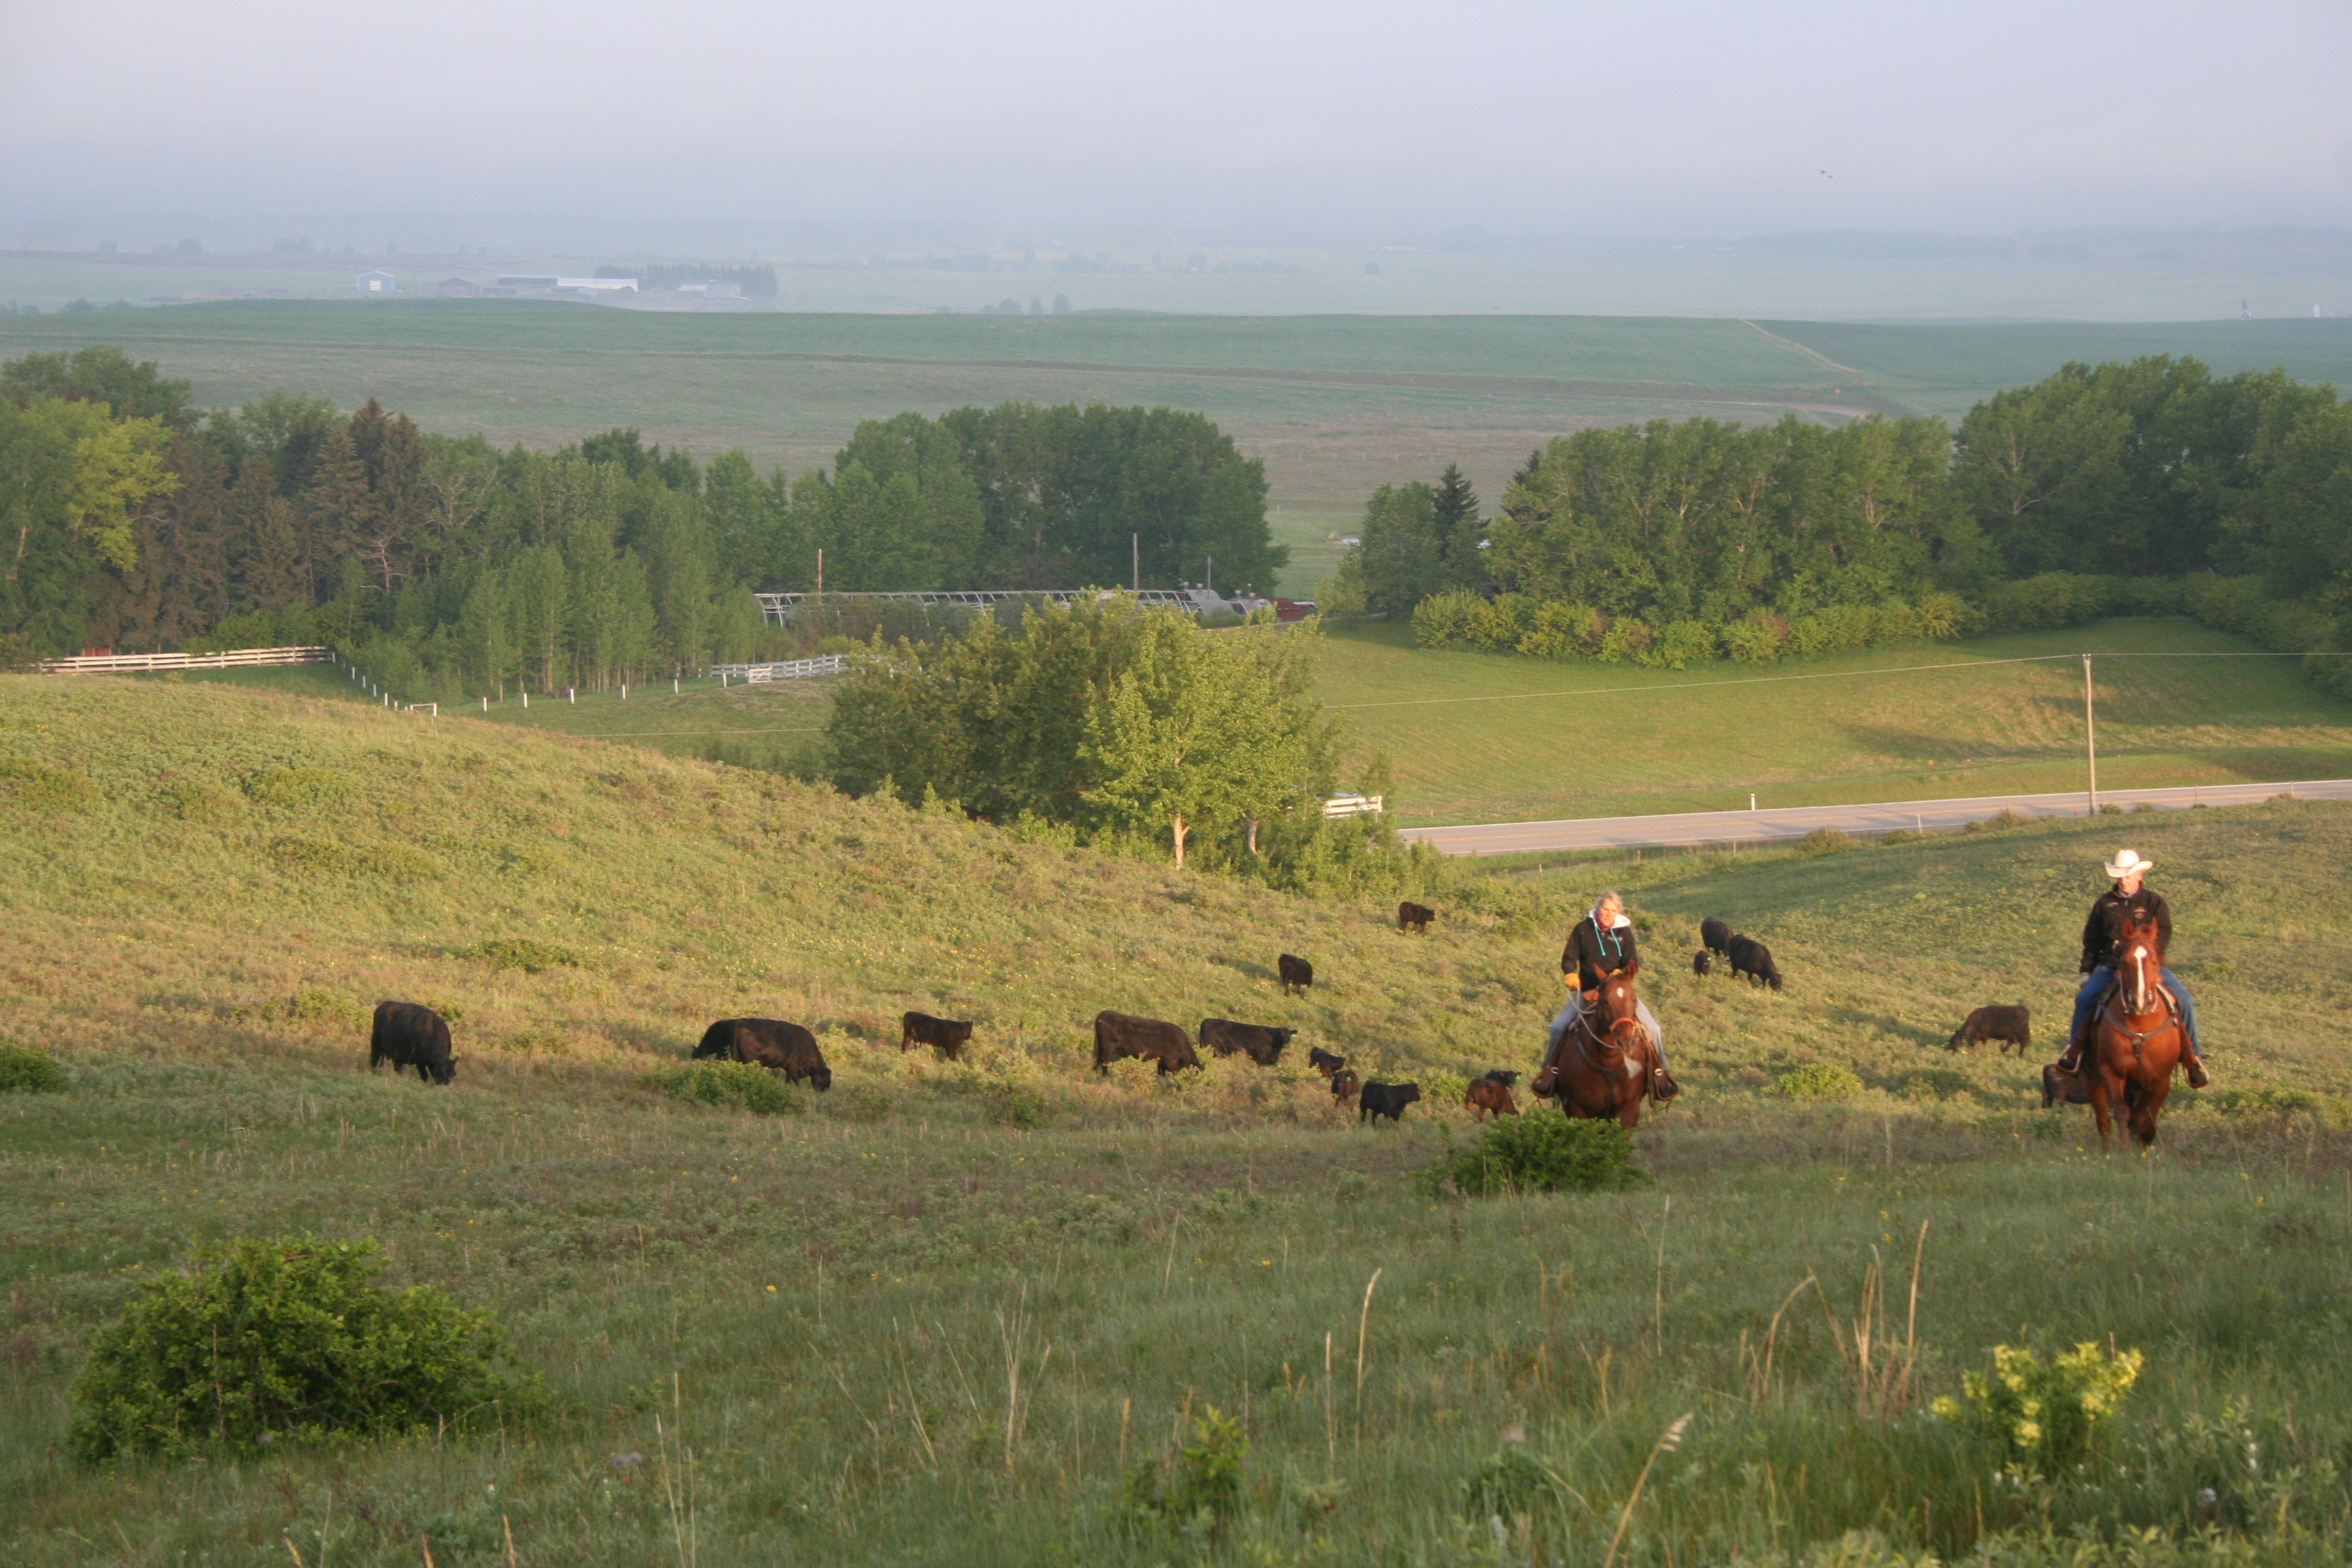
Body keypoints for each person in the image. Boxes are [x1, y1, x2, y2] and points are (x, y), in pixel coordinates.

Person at [2057, 848, 2208, 1088]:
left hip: (2147, 966)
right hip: (2109, 966)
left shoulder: (2153, 902)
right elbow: (2092, 938)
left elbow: (2165, 932)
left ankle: (2193, 1058)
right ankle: (2074, 1051)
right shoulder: (2104, 904)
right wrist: (2086, 971)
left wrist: (2149, 959)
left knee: (2186, 1000)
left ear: (2139, 875)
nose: (2122, 879)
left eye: (2127, 875)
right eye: (2119, 875)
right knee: (2085, 999)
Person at [1540, 890, 1676, 1099]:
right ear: (1598, 908)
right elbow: (1569, 957)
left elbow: (1632, 962)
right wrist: (1570, 974)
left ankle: (1660, 1075)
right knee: (1558, 1027)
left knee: (1654, 1029)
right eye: (1605, 909)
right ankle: (1549, 1074)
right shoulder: (1583, 929)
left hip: (1618, 994)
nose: (1608, 913)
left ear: (1617, 912)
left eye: (1612, 910)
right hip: (1589, 992)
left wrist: (1618, 975)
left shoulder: (1624, 932)